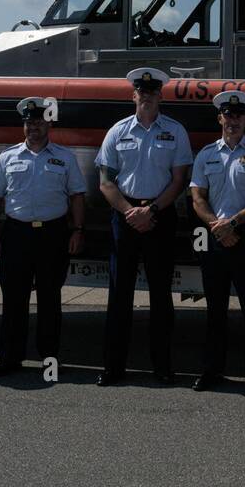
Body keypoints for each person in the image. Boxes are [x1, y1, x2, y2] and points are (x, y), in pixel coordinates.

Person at [95, 68, 193, 387]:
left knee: (161, 297)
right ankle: (113, 367)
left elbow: (179, 180)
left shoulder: (176, 132)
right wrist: (129, 211)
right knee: (119, 295)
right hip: (124, 217)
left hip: (160, 217)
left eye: (153, 91)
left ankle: (162, 366)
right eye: (142, 91)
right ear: (133, 95)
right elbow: (106, 182)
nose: (147, 96)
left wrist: (149, 210)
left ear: (160, 96)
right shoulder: (117, 131)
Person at [0, 97, 87, 378]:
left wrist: (77, 230)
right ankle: (9, 359)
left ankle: (49, 359)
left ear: (48, 124)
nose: (33, 127)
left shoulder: (64, 158)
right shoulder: (7, 157)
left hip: (53, 234)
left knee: (50, 300)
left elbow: (77, 196)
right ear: (24, 125)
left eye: (39, 122)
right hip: (16, 234)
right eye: (29, 122)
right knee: (14, 300)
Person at [189, 91, 245, 394]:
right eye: (228, 114)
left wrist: (233, 224)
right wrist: (217, 226)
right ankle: (212, 371)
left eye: (239, 115)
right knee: (215, 308)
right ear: (220, 118)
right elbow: (197, 197)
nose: (233, 120)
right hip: (214, 236)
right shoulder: (206, 154)